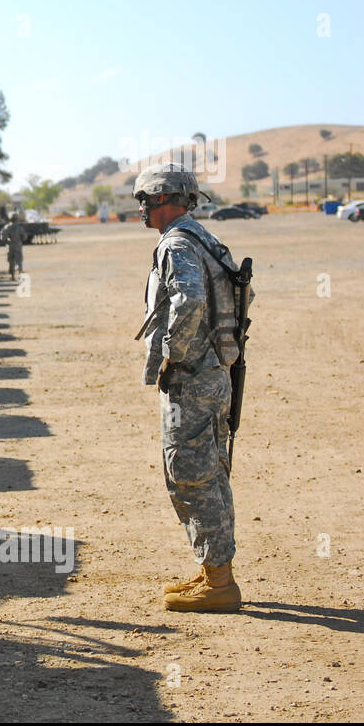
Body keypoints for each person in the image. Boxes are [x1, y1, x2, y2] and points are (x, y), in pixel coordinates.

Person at [133, 164, 246, 612]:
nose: (141, 208)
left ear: (167, 199)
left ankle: (220, 584)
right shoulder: (203, 239)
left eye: (146, 200)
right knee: (211, 473)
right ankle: (212, 570)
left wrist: (173, 354)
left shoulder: (178, 242)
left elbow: (192, 299)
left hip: (192, 378)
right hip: (215, 373)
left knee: (191, 477)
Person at [1, 213, 25, 280]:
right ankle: (20, 273)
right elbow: (24, 236)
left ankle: (12, 276)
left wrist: (7, 240)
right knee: (19, 260)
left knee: (11, 261)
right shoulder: (19, 227)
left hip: (10, 246)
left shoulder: (7, 227)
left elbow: (2, 237)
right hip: (18, 245)